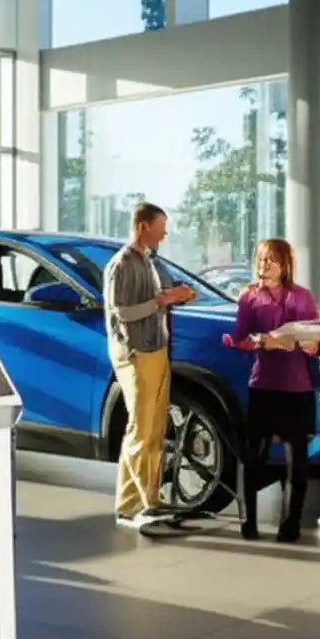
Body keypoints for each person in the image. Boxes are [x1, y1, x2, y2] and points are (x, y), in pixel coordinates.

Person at [103, 203, 196, 531]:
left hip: (156, 351)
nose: (164, 233)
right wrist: (163, 300)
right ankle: (139, 504)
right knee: (141, 428)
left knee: (154, 429)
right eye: (160, 227)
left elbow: (159, 301)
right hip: (135, 354)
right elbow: (123, 314)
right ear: (143, 227)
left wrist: (177, 296)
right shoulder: (122, 264)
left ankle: (139, 503)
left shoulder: (150, 262)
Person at [231, 238, 320, 543]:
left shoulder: (302, 297)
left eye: (271, 260)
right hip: (263, 387)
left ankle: (290, 525)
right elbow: (240, 339)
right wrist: (258, 341)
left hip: (297, 390)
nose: (264, 265)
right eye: (260, 259)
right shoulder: (249, 297)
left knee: (297, 462)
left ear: (285, 265)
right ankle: (248, 523)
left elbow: (313, 344)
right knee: (251, 458)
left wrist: (286, 342)